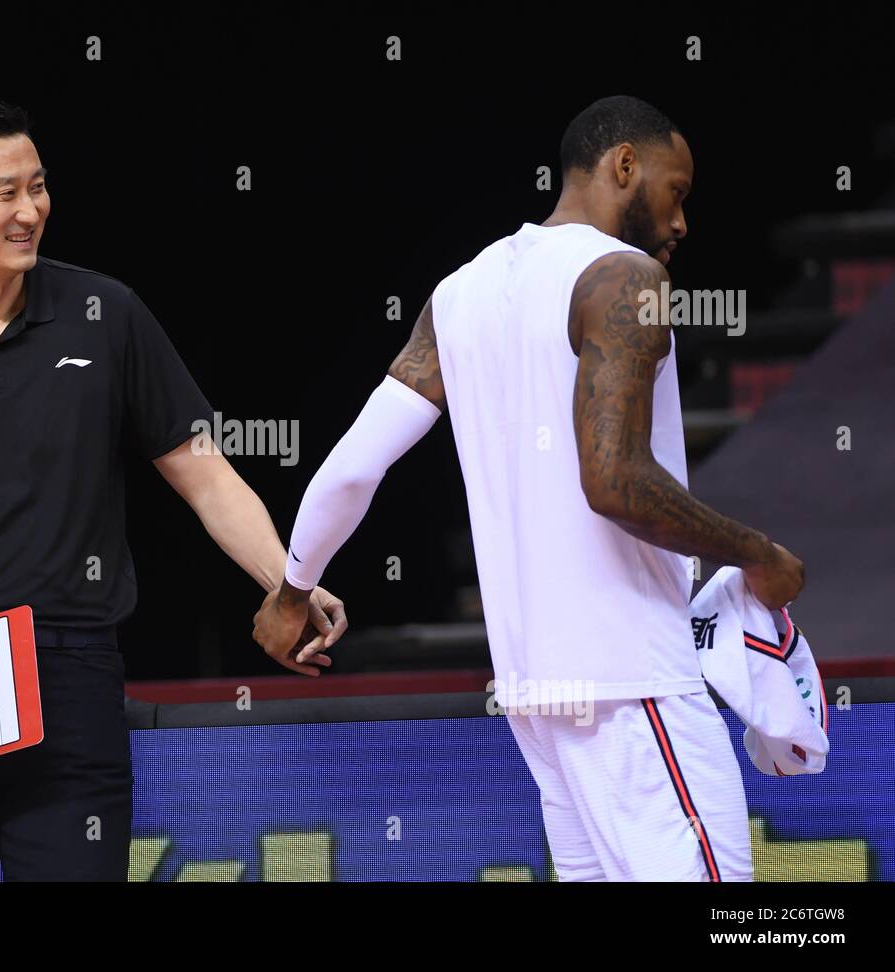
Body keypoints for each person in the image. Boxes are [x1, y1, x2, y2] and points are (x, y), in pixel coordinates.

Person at [252, 95, 805, 881]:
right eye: (676, 192)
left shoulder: (460, 292)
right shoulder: (623, 276)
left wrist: (291, 589)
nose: (682, 223)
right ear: (623, 166)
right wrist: (757, 553)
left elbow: (351, 467)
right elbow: (614, 481)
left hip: (535, 695)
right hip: (630, 677)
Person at [0, 96, 346, 881]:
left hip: (73, 679)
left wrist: (290, 583)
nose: (31, 211)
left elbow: (207, 479)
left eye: (39, 187)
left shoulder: (105, 315)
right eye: (6, 192)